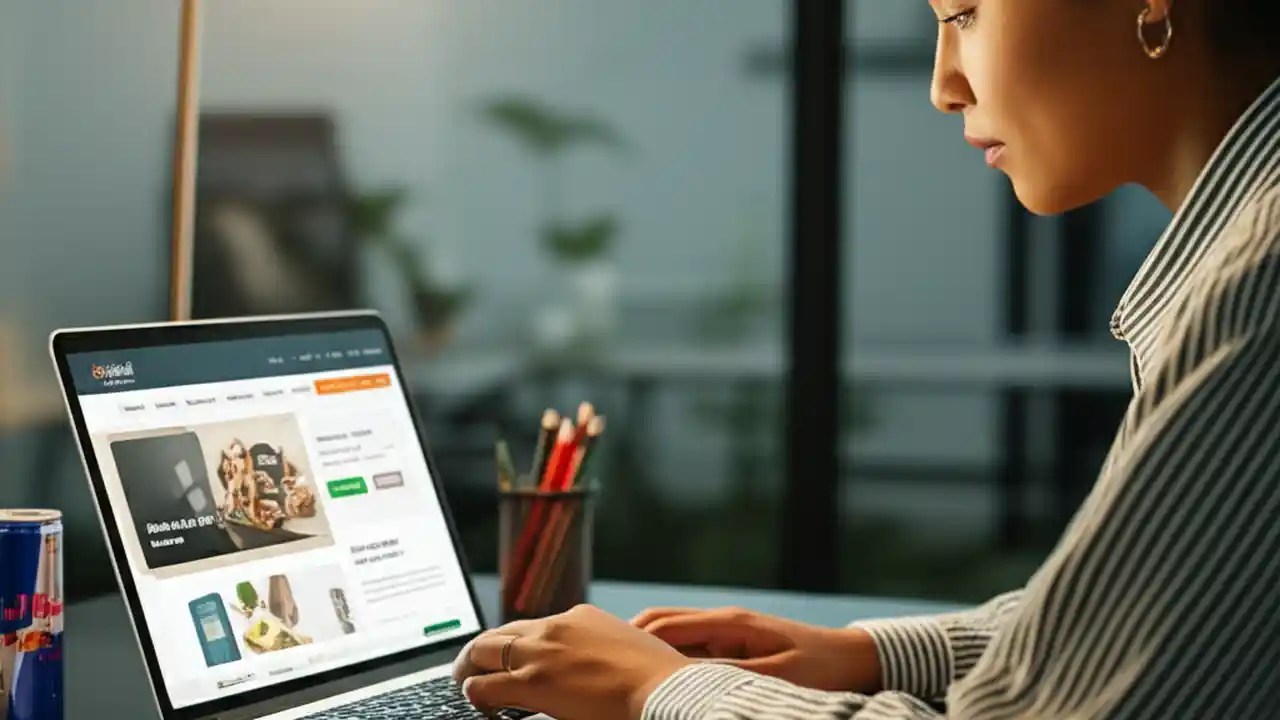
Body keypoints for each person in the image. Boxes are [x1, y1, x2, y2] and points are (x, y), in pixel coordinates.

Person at [454, 0, 1280, 717]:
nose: (942, 84)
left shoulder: (1258, 290)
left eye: (963, 15)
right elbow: (1163, 624)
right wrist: (867, 655)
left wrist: (659, 692)